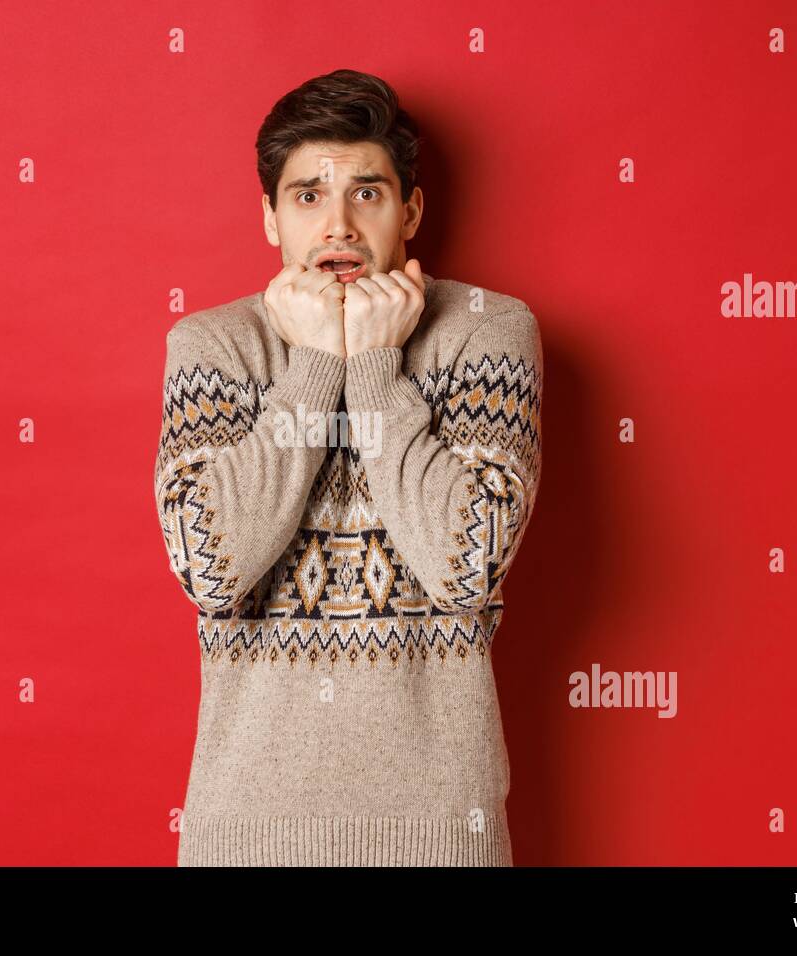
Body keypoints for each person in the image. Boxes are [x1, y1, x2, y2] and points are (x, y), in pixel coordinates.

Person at [153, 68, 543, 866]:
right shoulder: (212, 345)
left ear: (412, 210)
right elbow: (211, 570)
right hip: (246, 835)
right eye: (307, 197)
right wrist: (311, 369)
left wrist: (372, 367)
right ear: (269, 218)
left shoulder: (488, 331)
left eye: (366, 193)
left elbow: (464, 567)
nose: (337, 224)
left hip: (441, 837)